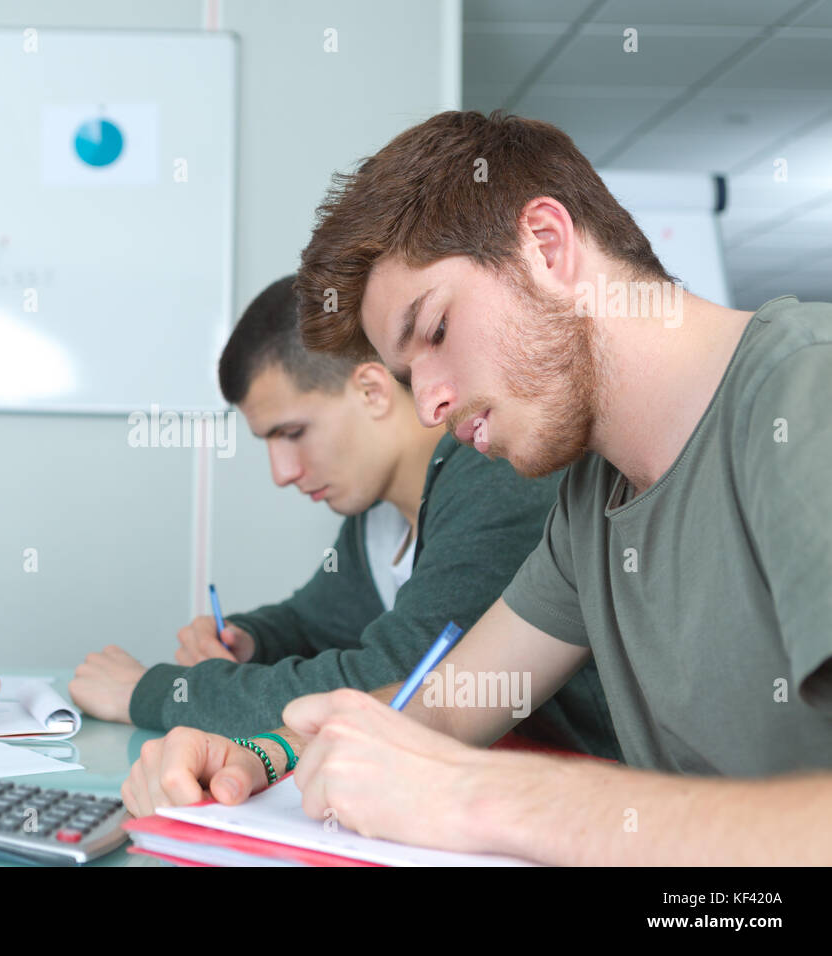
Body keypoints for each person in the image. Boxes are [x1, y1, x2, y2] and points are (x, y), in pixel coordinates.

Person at [120, 111, 832, 865]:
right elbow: (443, 709)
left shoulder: (804, 392)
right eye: (407, 372)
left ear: (547, 247)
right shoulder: (591, 495)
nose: (427, 404)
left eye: (433, 331)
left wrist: (481, 797)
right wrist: (260, 758)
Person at [71, 276, 619, 762]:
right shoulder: (380, 511)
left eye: (292, 433)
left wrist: (153, 692)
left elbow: (387, 687)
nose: (281, 473)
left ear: (372, 390)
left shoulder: (496, 478)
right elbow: (313, 622)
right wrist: (250, 639)